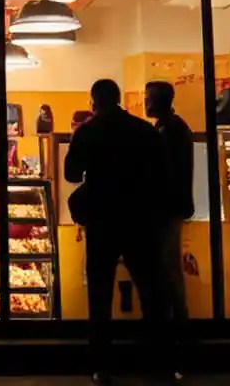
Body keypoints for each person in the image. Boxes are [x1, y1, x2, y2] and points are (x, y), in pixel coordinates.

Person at [65, 79, 175, 382]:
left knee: (100, 296)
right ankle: (159, 361)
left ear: (93, 102)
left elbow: (71, 173)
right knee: (151, 292)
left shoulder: (88, 131)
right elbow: (163, 175)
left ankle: (102, 365)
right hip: (140, 220)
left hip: (103, 221)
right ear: (117, 99)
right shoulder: (144, 130)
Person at [146, 80, 194, 326]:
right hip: (171, 206)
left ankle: (175, 319)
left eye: (149, 97)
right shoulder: (174, 127)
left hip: (167, 207)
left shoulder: (169, 131)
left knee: (168, 263)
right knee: (168, 262)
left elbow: (162, 173)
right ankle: (175, 317)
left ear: (162, 100)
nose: (146, 102)